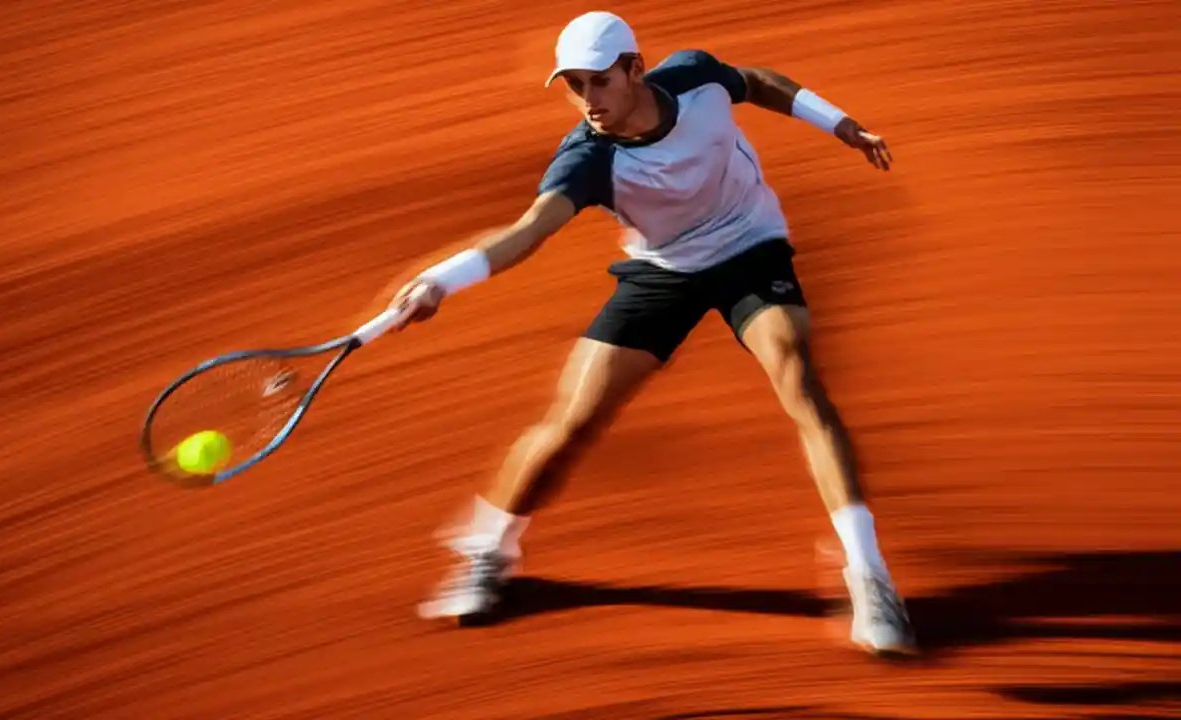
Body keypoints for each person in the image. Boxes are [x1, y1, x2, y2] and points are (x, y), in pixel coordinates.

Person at [381, 10, 915, 656]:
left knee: (796, 374)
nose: (587, 101)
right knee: (573, 419)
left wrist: (841, 124)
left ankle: (869, 575)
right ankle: (489, 547)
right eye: (573, 86)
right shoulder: (588, 158)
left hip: (750, 248)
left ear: (637, 68)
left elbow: (759, 82)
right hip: (662, 272)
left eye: (598, 81)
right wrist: (442, 280)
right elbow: (530, 231)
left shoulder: (694, 78)